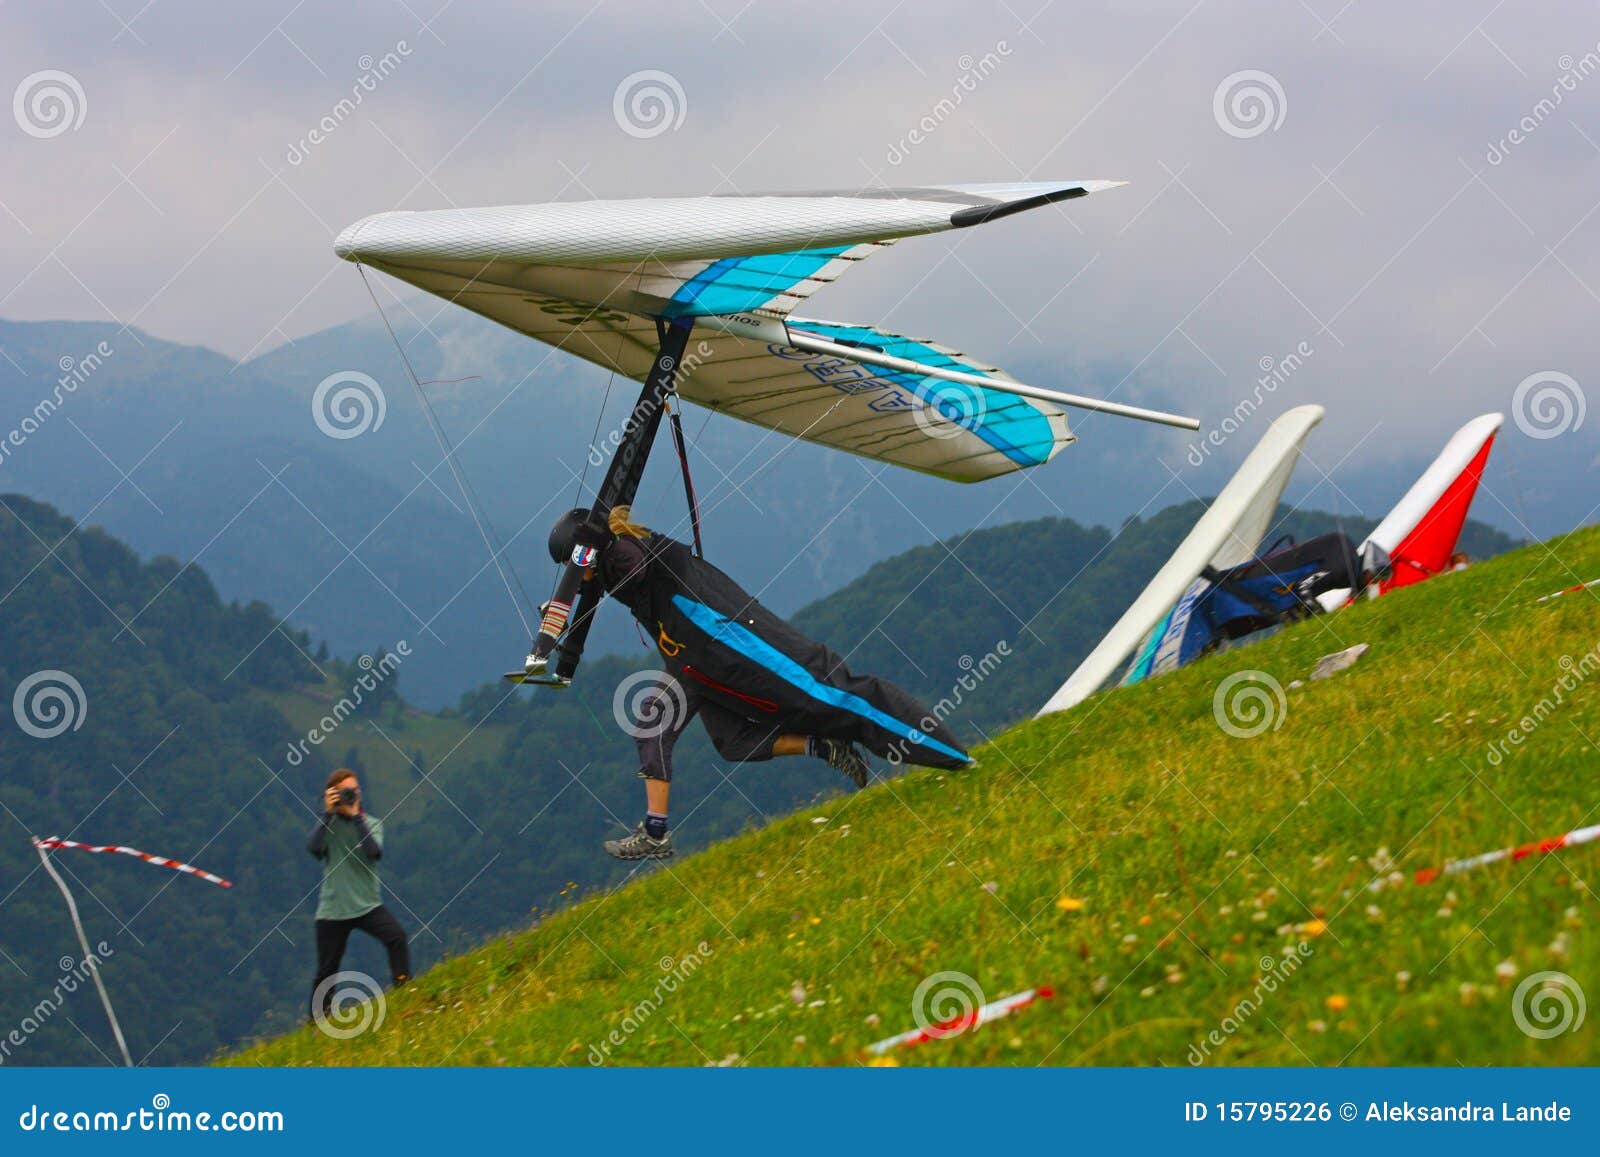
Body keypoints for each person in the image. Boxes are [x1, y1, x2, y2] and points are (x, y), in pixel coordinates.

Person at [547, 505, 971, 861]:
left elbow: (630, 564)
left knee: (833, 695)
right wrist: (559, 613)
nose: (573, 574)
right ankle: (817, 748)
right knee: (724, 740)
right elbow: (595, 589)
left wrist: (593, 553)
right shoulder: (604, 570)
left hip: (723, 642)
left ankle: (950, 754)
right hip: (691, 662)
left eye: (572, 564)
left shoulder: (622, 553)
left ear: (587, 553)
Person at [306, 768, 410, 1020]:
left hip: (367, 906)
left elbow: (374, 852)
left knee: (397, 938)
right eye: (343, 792)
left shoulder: (372, 823)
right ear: (332, 795)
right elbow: (313, 847)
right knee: (327, 970)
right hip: (334, 910)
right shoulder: (327, 827)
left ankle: (406, 989)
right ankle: (319, 1021)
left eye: (353, 791)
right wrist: (328, 813)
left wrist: (356, 817)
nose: (350, 795)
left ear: (359, 793)